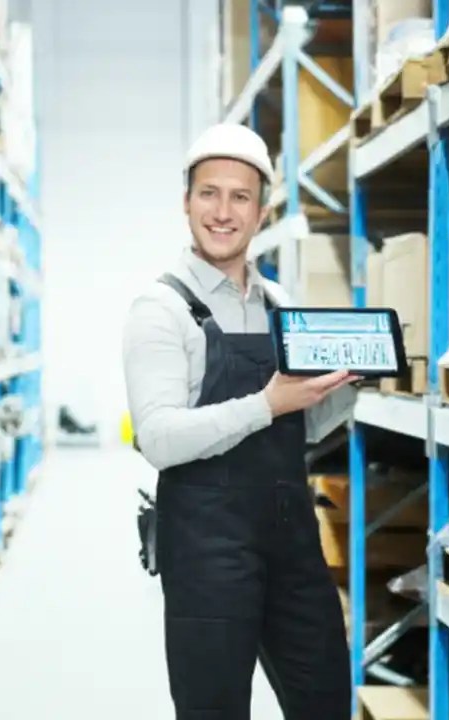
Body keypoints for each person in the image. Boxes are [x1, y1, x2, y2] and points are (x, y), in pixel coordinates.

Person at [122, 122, 358, 719]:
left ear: (262, 211)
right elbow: (159, 437)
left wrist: (345, 387)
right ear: (186, 202)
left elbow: (303, 427)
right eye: (209, 193)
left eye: (240, 196)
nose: (222, 212)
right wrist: (268, 403)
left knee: (326, 696)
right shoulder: (161, 309)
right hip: (206, 545)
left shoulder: (281, 304)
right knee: (215, 710)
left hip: (290, 535)